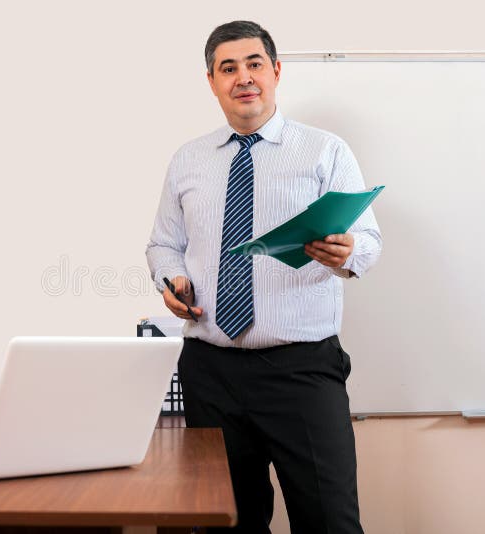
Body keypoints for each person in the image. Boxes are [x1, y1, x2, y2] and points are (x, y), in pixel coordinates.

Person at [146, 20, 381, 534]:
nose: (243, 77)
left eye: (254, 64)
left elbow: (368, 242)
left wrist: (345, 252)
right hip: (211, 372)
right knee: (225, 522)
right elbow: (164, 245)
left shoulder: (325, 151)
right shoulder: (188, 159)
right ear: (211, 81)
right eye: (228, 68)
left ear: (275, 72)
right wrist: (172, 279)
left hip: (302, 371)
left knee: (329, 522)